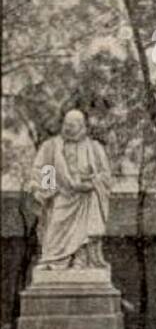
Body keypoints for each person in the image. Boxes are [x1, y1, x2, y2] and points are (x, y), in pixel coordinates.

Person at [30, 109, 113, 270]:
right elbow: (45, 167)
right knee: (55, 226)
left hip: (86, 195)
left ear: (82, 126)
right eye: (66, 124)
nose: (68, 128)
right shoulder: (52, 146)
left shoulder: (94, 148)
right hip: (62, 194)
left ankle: (80, 260)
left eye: (72, 125)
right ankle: (53, 261)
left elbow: (105, 175)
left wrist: (92, 183)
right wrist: (47, 191)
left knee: (86, 231)